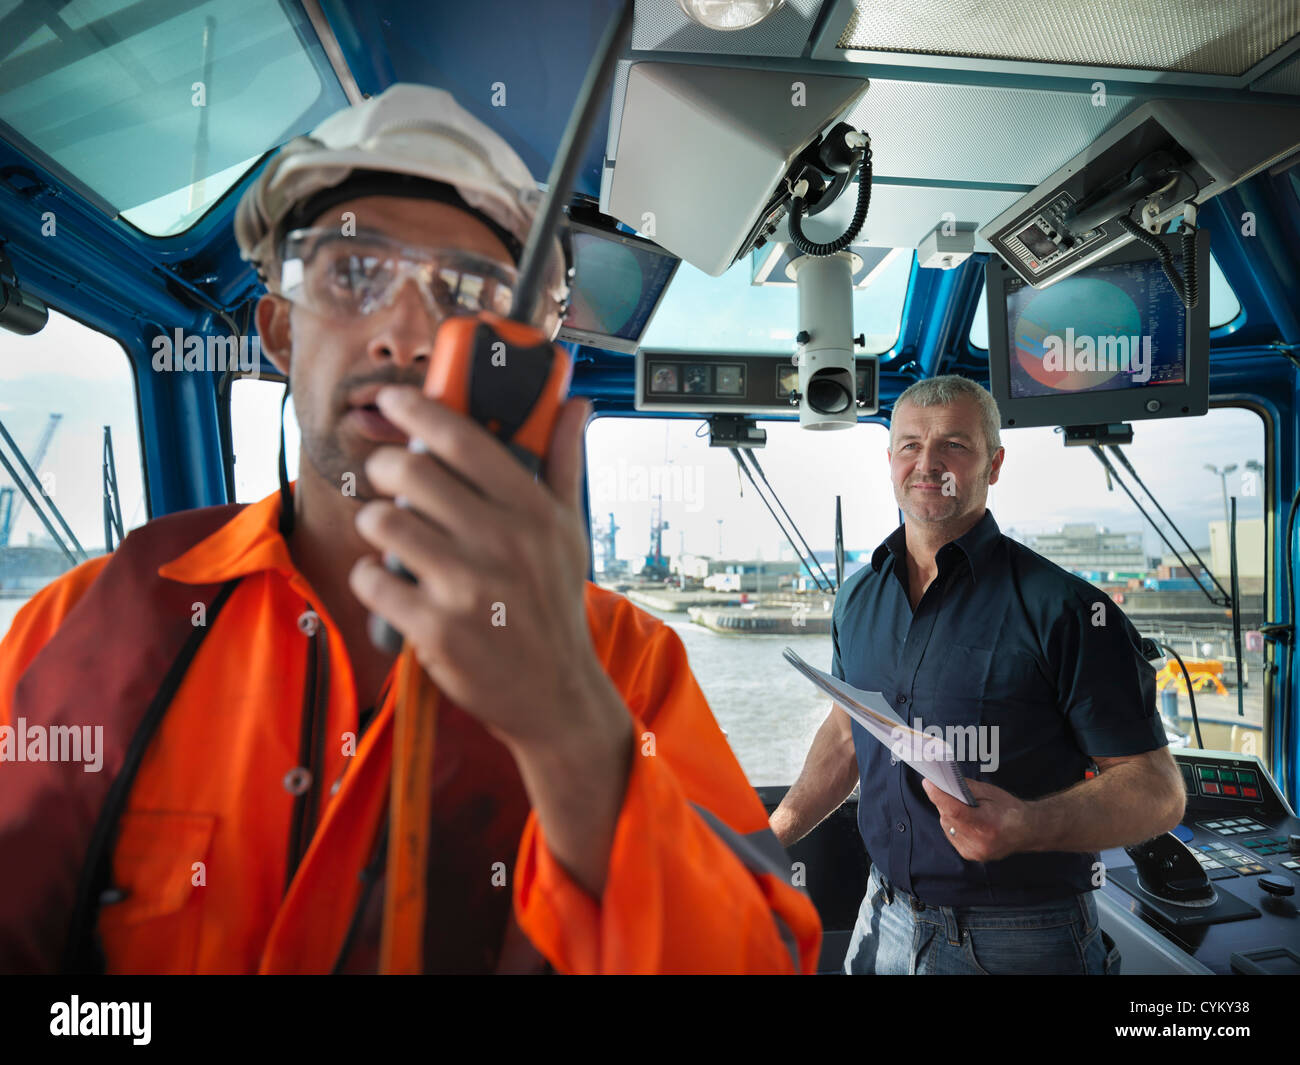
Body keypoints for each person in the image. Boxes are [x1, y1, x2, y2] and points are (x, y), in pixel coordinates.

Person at [0, 83, 820, 975]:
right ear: (278, 330)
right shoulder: (86, 628)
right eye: (351, 274)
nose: (407, 334)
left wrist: (575, 736)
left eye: (465, 291)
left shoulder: (625, 668)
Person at [770, 374, 1185, 975]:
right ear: (890, 462)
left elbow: (1158, 790)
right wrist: (775, 830)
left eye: (955, 445)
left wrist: (1027, 825)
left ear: (994, 464)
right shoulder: (857, 597)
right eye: (910, 445)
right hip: (880, 911)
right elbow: (845, 732)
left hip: (1023, 935)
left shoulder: (1068, 610)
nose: (928, 462)